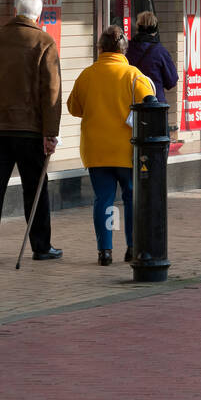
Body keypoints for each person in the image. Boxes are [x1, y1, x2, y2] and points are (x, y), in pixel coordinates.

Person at [0, 0, 63, 263]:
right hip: (29, 129)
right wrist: (50, 133)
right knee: (35, 186)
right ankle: (41, 247)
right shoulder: (44, 42)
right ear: (39, 15)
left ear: (15, 10)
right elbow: (52, 92)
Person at [66, 26, 155, 265]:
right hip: (127, 150)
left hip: (96, 151)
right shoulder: (133, 75)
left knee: (103, 199)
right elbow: (151, 103)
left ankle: (104, 250)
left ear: (100, 48)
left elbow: (74, 108)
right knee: (131, 197)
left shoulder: (88, 74)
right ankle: (132, 246)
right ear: (124, 50)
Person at [125, 11, 178, 103]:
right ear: (155, 29)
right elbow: (172, 81)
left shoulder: (126, 49)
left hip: (132, 102)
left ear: (137, 28)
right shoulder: (160, 51)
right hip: (155, 103)